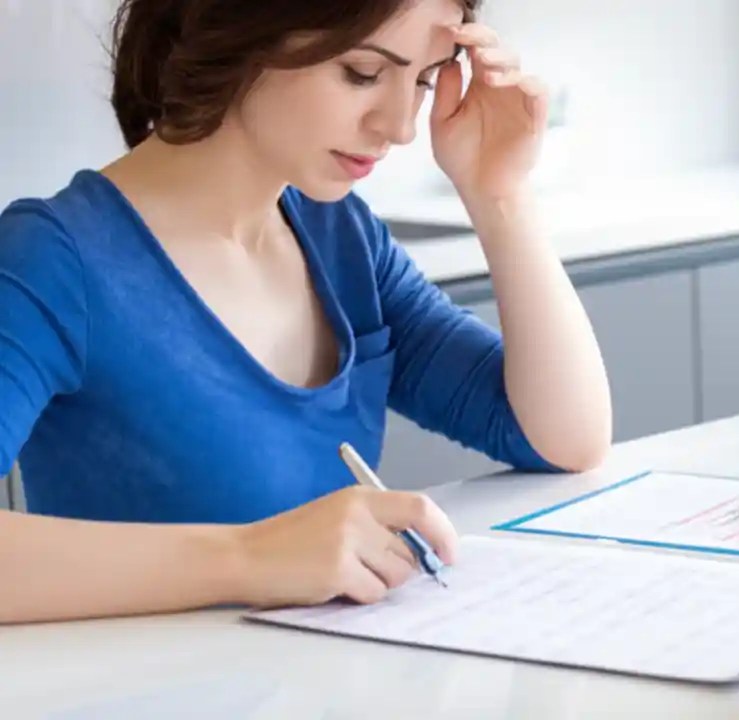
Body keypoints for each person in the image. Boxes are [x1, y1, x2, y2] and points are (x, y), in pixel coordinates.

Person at [0, 0, 612, 624]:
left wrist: (499, 192)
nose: (401, 127)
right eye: (363, 74)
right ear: (241, 31)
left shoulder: (339, 236)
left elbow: (565, 438)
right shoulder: (52, 257)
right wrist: (248, 557)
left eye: (424, 81)